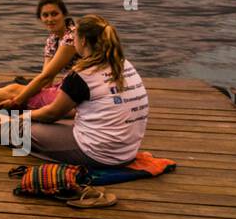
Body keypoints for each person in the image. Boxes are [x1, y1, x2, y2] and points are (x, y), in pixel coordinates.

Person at [14, 14, 150, 168]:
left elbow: (51, 114)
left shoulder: (82, 74)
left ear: (83, 40)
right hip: (127, 152)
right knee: (55, 121)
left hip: (98, 154)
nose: (72, 40)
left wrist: (22, 117)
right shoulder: (123, 64)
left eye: (74, 36)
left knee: (22, 129)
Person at [0, 0, 78, 111]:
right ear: (40, 18)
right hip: (66, 87)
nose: (50, 19)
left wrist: (17, 101)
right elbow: (46, 78)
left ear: (64, 14)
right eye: (45, 15)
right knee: (12, 88)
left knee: (14, 91)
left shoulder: (71, 37)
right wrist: (30, 92)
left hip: (77, 95)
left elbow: (46, 77)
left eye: (54, 14)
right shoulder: (53, 38)